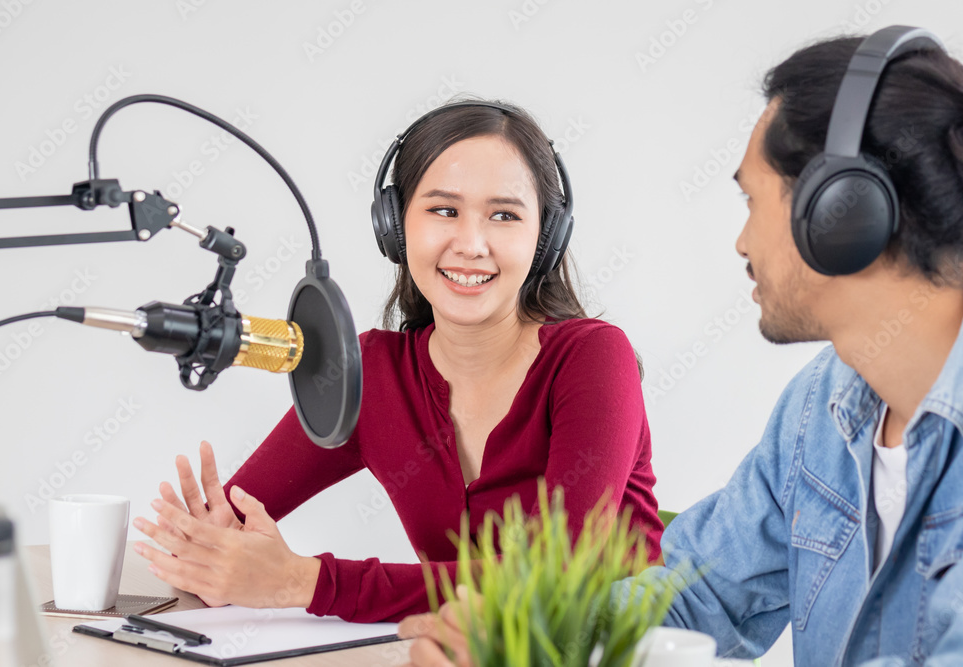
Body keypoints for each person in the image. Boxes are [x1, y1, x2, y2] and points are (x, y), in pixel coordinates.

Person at [400, 26, 963, 665]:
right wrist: (518, 633)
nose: (741, 242)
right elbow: (700, 594)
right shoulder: (823, 407)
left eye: (754, 201)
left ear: (844, 214)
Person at [131, 100, 663, 623]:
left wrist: (302, 581)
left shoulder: (593, 357)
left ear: (546, 237)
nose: (471, 244)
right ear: (394, 226)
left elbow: (556, 578)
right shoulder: (371, 374)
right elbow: (235, 519)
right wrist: (212, 552)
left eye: (504, 215)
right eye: (443, 210)